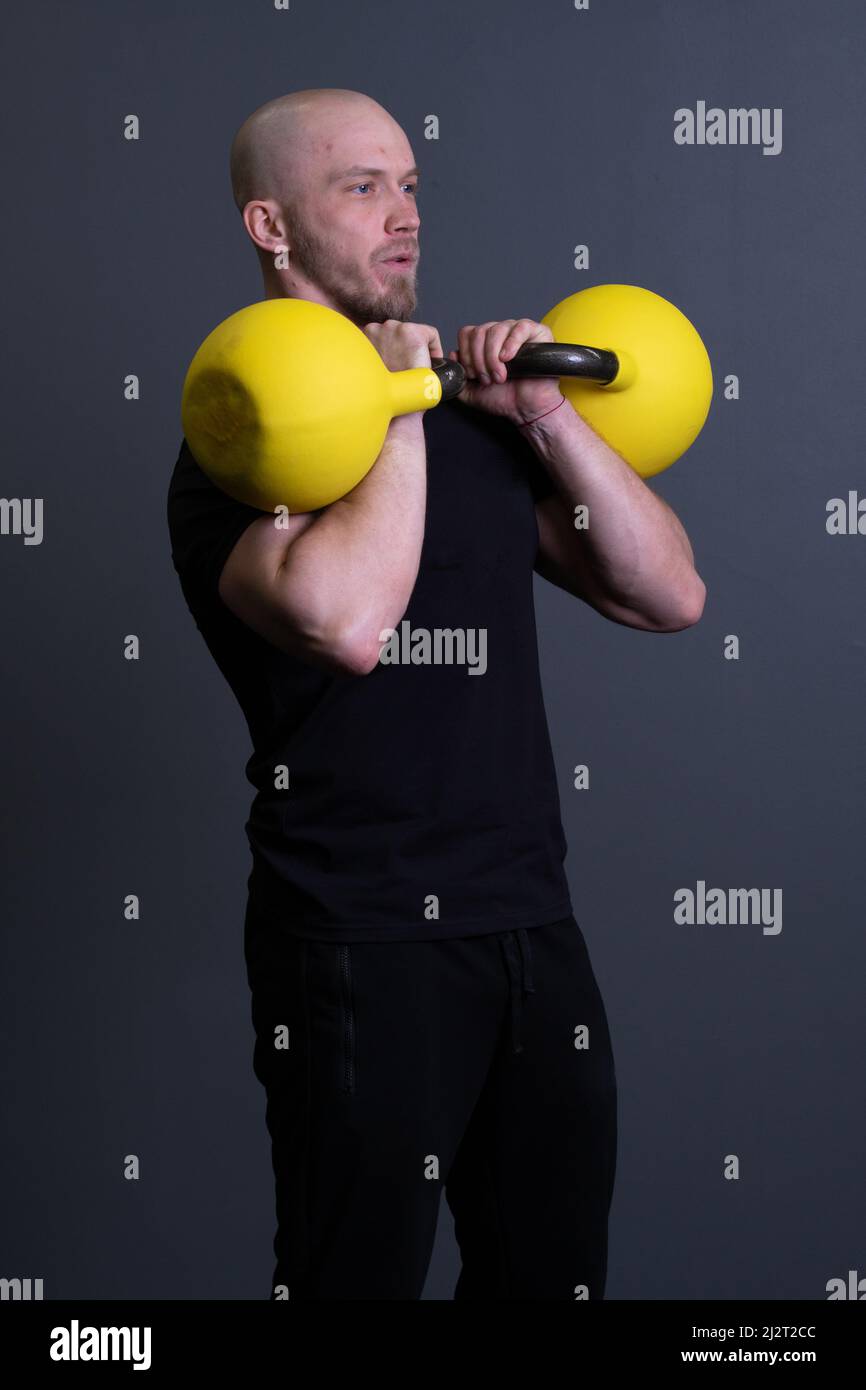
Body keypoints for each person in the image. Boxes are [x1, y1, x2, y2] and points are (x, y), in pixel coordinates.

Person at [166, 87, 706, 1301]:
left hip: (526, 919)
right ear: (272, 226)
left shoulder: (479, 432)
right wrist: (404, 402)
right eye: (362, 188)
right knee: (350, 1281)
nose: (403, 215)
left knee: (550, 1278)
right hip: (354, 941)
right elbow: (347, 622)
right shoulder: (236, 443)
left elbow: (665, 594)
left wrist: (544, 416)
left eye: (409, 185)